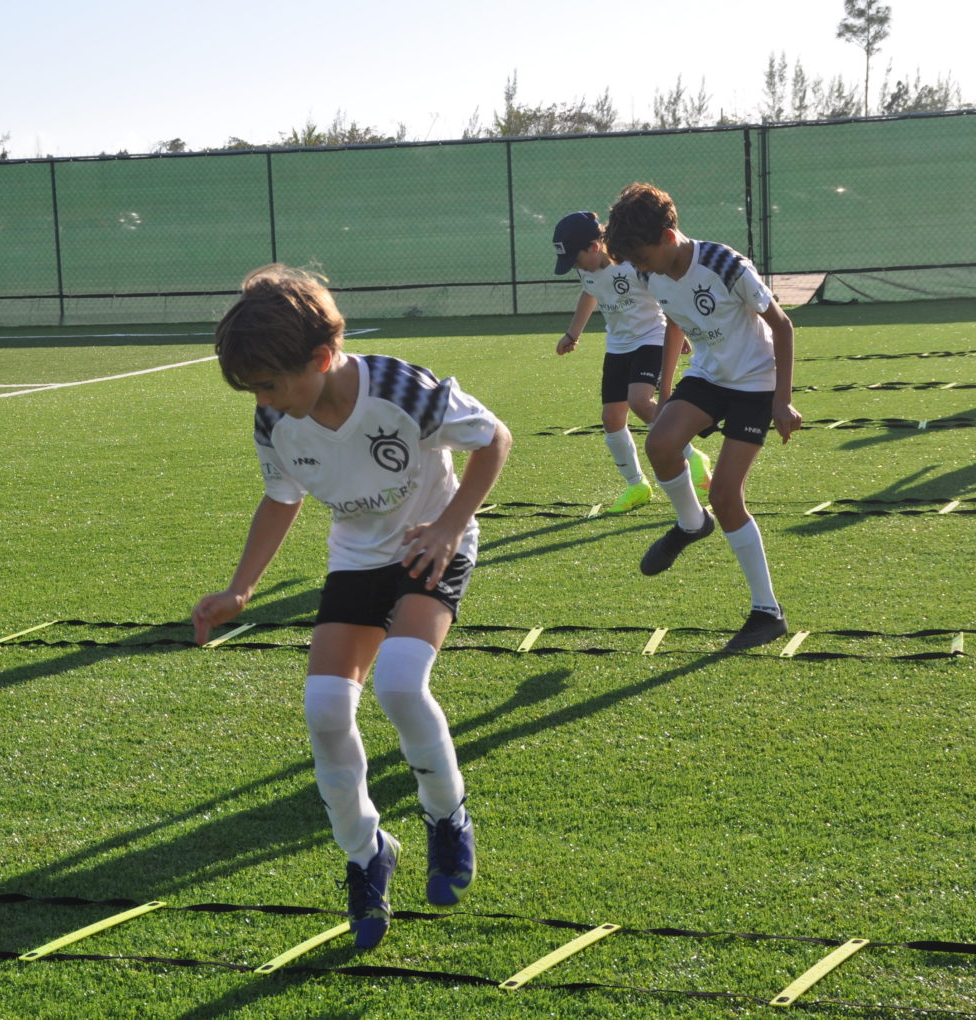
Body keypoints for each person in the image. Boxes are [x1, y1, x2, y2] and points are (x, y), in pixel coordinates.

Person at [192, 264, 512, 950]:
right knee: (325, 711)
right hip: (357, 558)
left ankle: (446, 814)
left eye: (270, 384)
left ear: (321, 357)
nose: (264, 399)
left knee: (400, 683)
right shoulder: (274, 418)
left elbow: (495, 440)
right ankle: (368, 853)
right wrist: (239, 589)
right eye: (253, 389)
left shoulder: (399, 389)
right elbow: (283, 498)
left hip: (429, 543)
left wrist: (452, 524)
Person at [602, 182, 801, 651]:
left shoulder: (726, 265)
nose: (638, 270)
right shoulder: (652, 273)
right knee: (660, 443)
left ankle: (767, 612)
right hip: (709, 377)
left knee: (729, 496)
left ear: (668, 239)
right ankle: (693, 523)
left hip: (755, 384)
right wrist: (667, 385)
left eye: (641, 259)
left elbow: (782, 325)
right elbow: (674, 319)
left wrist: (782, 401)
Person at [551, 211, 712, 513]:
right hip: (618, 345)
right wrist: (573, 333)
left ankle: (690, 456)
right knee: (611, 418)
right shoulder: (586, 270)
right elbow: (590, 293)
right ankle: (636, 485)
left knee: (639, 400)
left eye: (575, 258)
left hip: (652, 337)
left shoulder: (631, 263)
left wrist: (681, 329)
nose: (574, 266)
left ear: (594, 247)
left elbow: (665, 293)